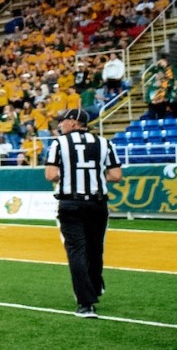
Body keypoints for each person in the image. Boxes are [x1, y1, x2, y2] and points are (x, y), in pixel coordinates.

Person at [41, 108, 122, 317]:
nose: (60, 124)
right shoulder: (104, 143)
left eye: (63, 120)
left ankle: (86, 304)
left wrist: (68, 176)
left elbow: (50, 175)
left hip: (71, 203)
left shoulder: (59, 144)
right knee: (95, 250)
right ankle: (93, 287)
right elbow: (116, 175)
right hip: (97, 203)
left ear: (74, 122)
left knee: (76, 251)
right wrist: (95, 174)